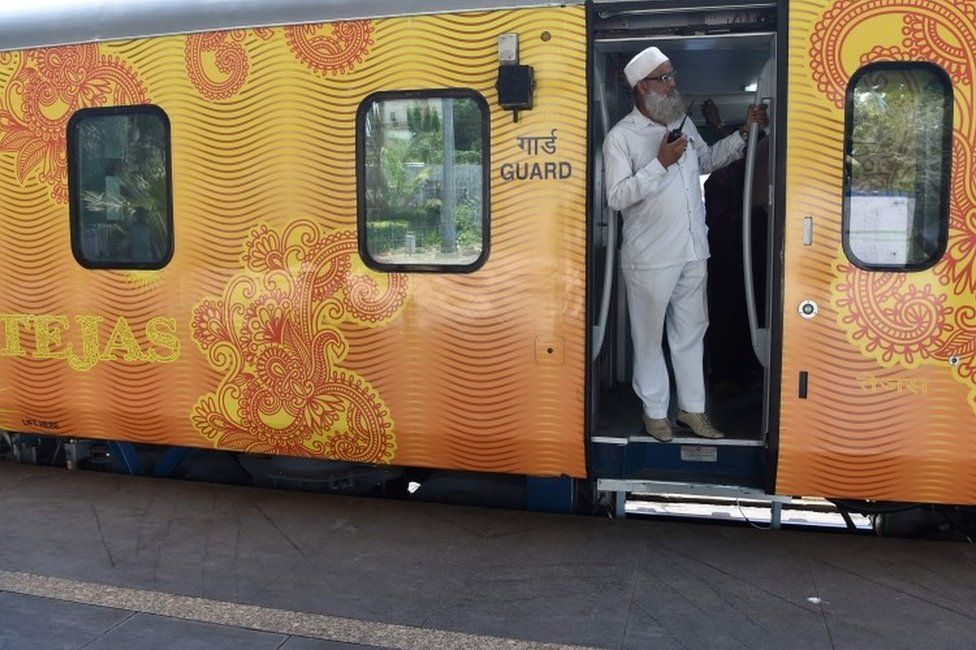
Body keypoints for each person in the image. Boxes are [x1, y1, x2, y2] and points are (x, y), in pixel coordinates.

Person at [603, 46, 767, 442]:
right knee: (648, 339)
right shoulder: (621, 138)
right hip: (650, 258)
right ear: (642, 86)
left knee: (692, 334)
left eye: (673, 76)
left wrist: (742, 133)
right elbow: (617, 196)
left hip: (694, 251)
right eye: (665, 78)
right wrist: (659, 163)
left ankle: (693, 411)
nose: (673, 84)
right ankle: (655, 413)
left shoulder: (680, 120)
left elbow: (707, 161)